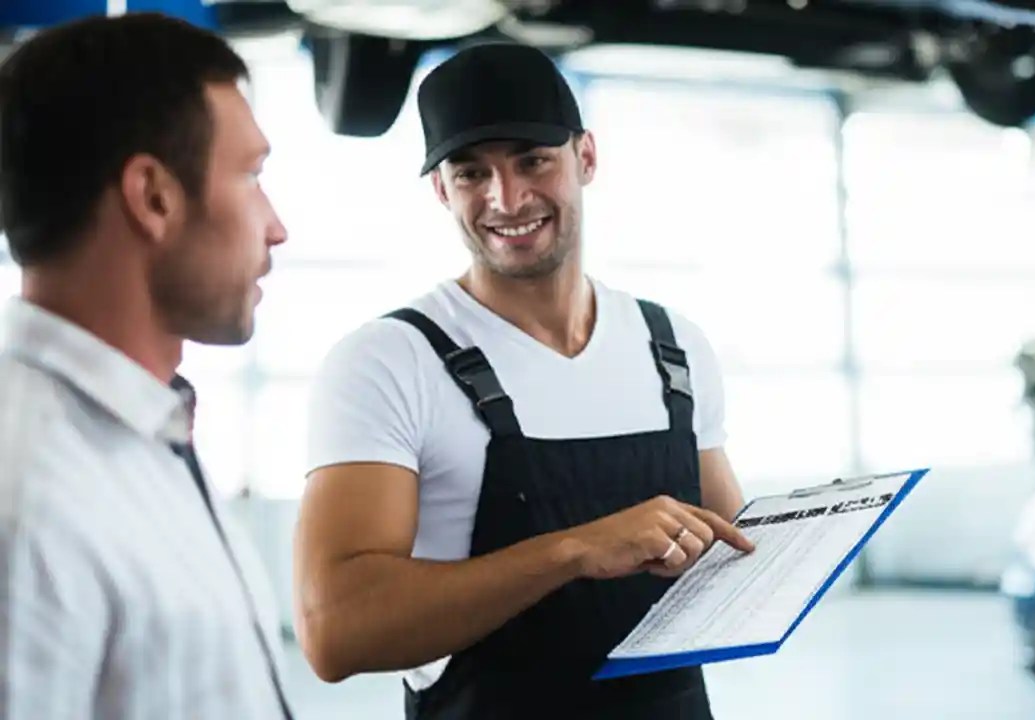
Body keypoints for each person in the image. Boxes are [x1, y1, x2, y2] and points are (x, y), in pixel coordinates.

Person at [294, 41, 756, 719]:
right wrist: (573, 550)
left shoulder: (674, 347)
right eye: (471, 172)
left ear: (587, 158)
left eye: (532, 161)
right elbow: (334, 631)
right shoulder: (390, 361)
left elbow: (732, 558)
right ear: (439, 189)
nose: (505, 198)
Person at [0, 13, 292, 719]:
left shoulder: (142, 435)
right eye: (251, 176)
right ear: (153, 197)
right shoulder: (27, 494)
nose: (276, 224)